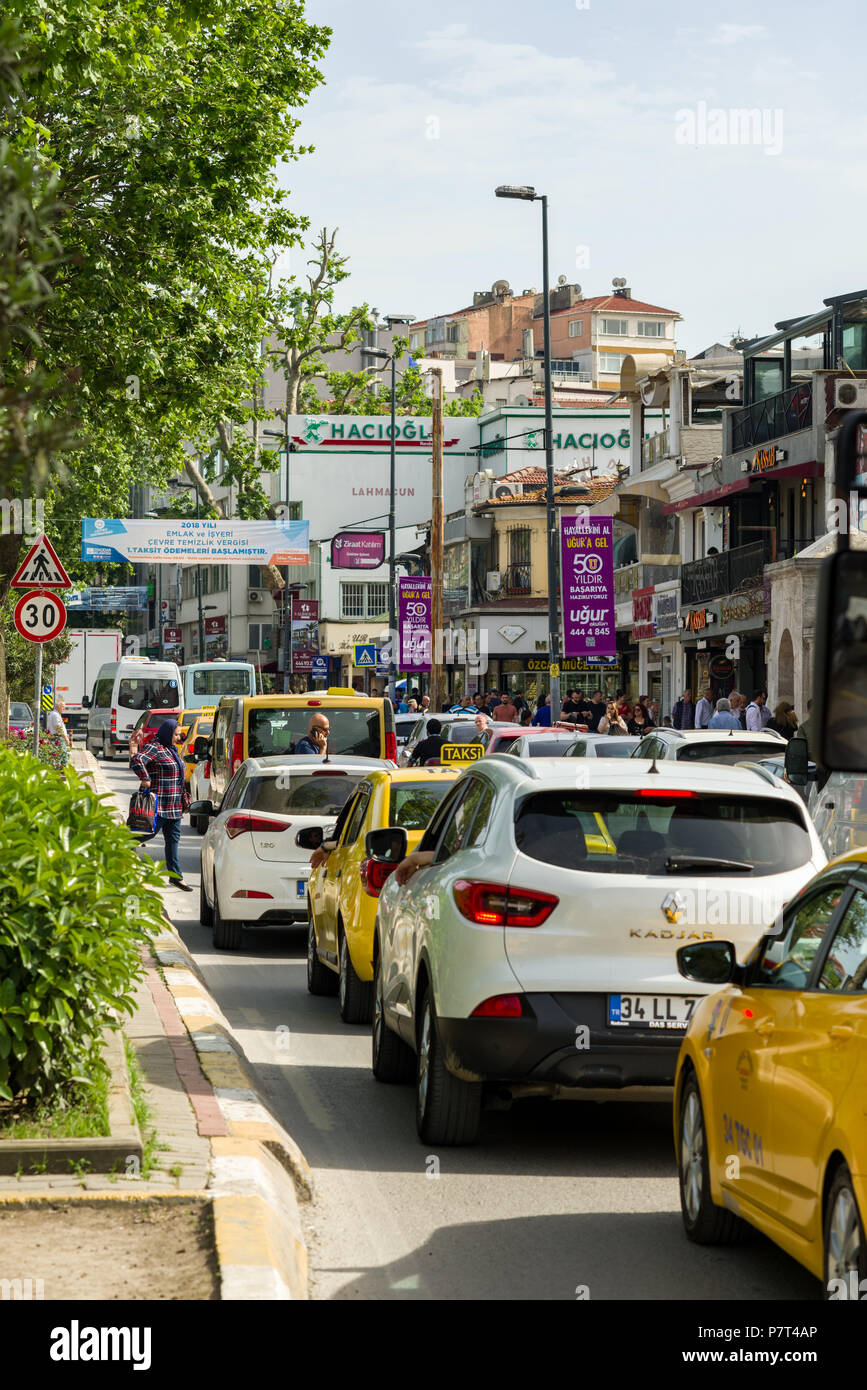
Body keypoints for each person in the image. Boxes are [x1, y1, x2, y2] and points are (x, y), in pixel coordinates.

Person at [131, 719, 193, 891]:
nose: (178, 737)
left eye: (179, 734)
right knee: (146, 833)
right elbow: (137, 760)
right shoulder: (156, 747)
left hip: (174, 805)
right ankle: (118, 847)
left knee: (173, 841)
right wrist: (145, 778)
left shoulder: (172, 750)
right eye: (175, 734)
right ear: (167, 733)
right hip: (158, 804)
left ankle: (176, 877)